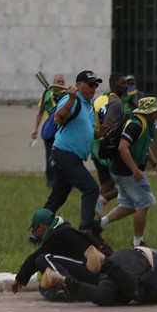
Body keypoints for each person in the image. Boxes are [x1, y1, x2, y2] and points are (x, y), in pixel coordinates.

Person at [99, 96, 157, 246]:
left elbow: (145, 146)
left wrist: (156, 165)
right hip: (126, 172)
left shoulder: (144, 124)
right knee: (144, 202)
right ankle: (138, 242)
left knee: (128, 206)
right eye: (156, 111)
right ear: (148, 113)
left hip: (121, 170)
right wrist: (135, 170)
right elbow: (122, 147)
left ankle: (100, 224)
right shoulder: (135, 125)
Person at [43, 70, 103, 236]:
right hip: (64, 155)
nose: (94, 88)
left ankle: (38, 231)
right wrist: (71, 98)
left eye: (96, 85)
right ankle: (86, 230)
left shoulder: (88, 106)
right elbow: (58, 118)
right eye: (91, 84)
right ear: (79, 85)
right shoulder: (72, 100)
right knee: (91, 189)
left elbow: (85, 131)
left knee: (58, 197)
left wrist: (99, 133)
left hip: (71, 157)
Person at [10, 208, 108, 301]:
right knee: (43, 286)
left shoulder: (59, 233)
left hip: (90, 270)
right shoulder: (63, 230)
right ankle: (67, 287)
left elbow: (35, 257)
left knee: (43, 258)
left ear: (42, 227)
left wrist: (19, 279)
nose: (35, 233)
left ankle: (68, 285)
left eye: (35, 229)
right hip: (89, 270)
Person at [92, 73, 129, 214]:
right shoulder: (115, 104)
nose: (126, 86)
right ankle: (100, 201)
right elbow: (107, 127)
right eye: (123, 83)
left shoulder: (100, 99)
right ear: (114, 85)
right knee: (129, 181)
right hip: (106, 150)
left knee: (107, 183)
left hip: (95, 149)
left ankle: (92, 211)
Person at [31, 74, 66, 187]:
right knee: (50, 158)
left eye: (62, 82)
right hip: (50, 131)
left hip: (64, 131)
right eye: (58, 81)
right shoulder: (47, 94)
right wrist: (35, 129)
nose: (60, 84)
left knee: (64, 157)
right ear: (53, 82)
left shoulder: (67, 96)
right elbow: (39, 113)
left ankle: (63, 182)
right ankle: (50, 182)